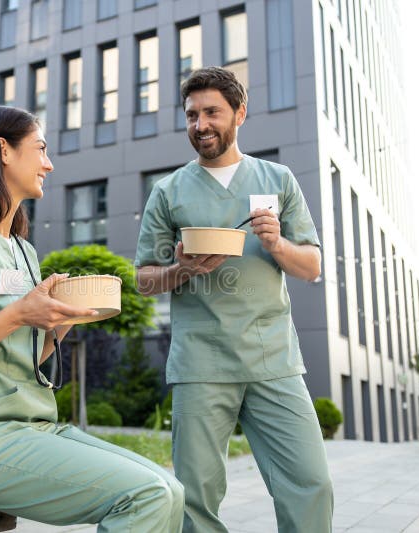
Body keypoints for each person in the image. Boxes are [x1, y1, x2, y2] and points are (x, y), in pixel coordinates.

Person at [0, 106, 184, 532]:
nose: (48, 163)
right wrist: (19, 314)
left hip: (34, 427)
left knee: (169, 489)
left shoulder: (23, 249)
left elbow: (24, 359)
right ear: (3, 149)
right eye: (40, 149)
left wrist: (63, 319)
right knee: (144, 496)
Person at [135, 67, 333, 532]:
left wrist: (278, 244)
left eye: (211, 113)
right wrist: (182, 269)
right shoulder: (167, 191)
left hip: (273, 358)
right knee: (195, 498)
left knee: (311, 483)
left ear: (239, 113)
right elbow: (144, 279)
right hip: (202, 360)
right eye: (191, 115)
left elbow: (313, 267)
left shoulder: (278, 180)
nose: (200, 125)